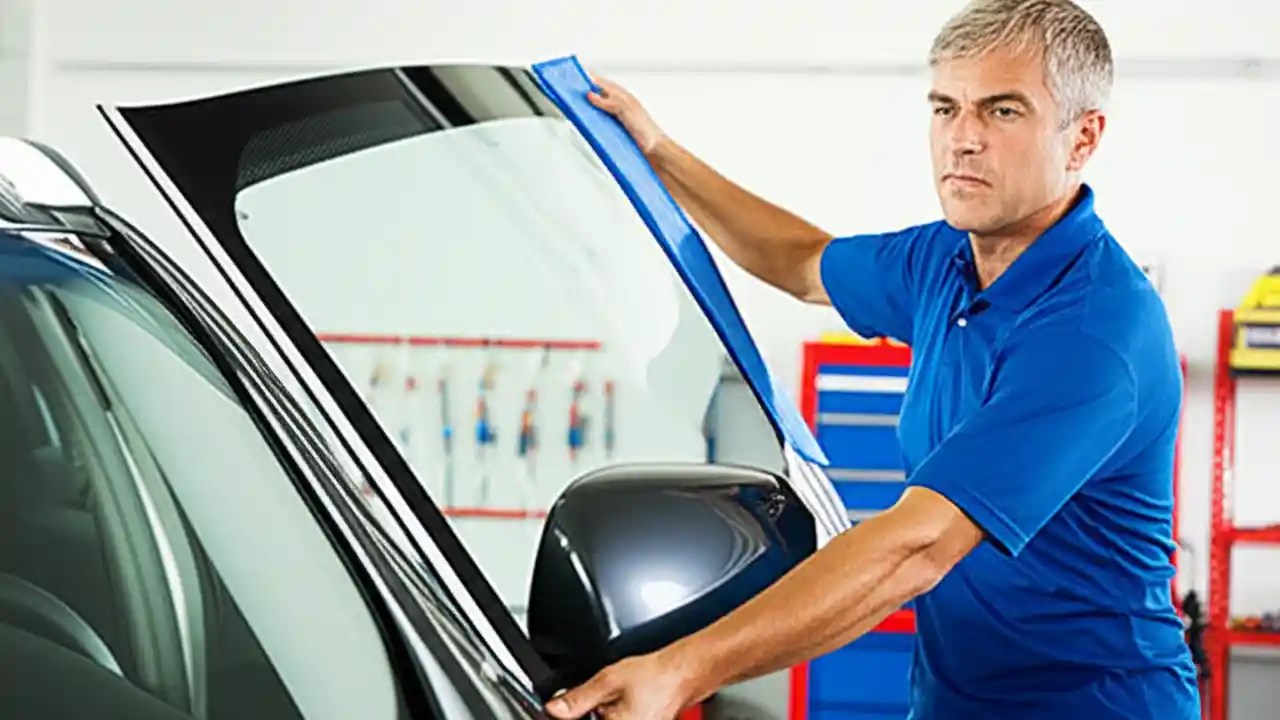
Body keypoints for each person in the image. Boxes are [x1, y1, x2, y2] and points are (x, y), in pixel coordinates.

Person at [542, 0, 1202, 719]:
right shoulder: (943, 261)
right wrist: (658, 151)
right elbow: (799, 261)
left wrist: (682, 671)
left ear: (1082, 138)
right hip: (954, 701)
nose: (963, 140)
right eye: (946, 108)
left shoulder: (1094, 330)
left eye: (1003, 112)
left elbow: (919, 548)